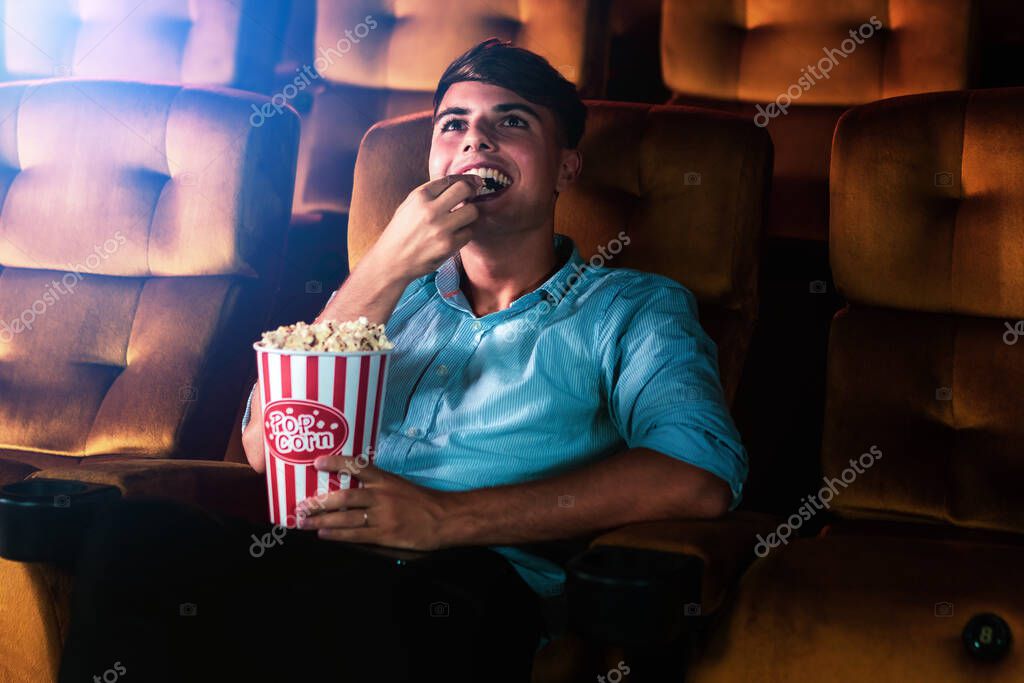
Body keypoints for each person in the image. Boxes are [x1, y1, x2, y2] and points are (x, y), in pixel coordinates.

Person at [59, 39, 747, 683]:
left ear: (567, 165)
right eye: (453, 125)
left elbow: (700, 473)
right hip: (317, 560)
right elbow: (267, 449)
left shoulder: (632, 307)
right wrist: (381, 267)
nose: (475, 138)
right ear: (431, 164)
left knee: (358, 619)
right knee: (132, 538)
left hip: (469, 584)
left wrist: (446, 517)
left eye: (511, 122)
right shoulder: (389, 294)